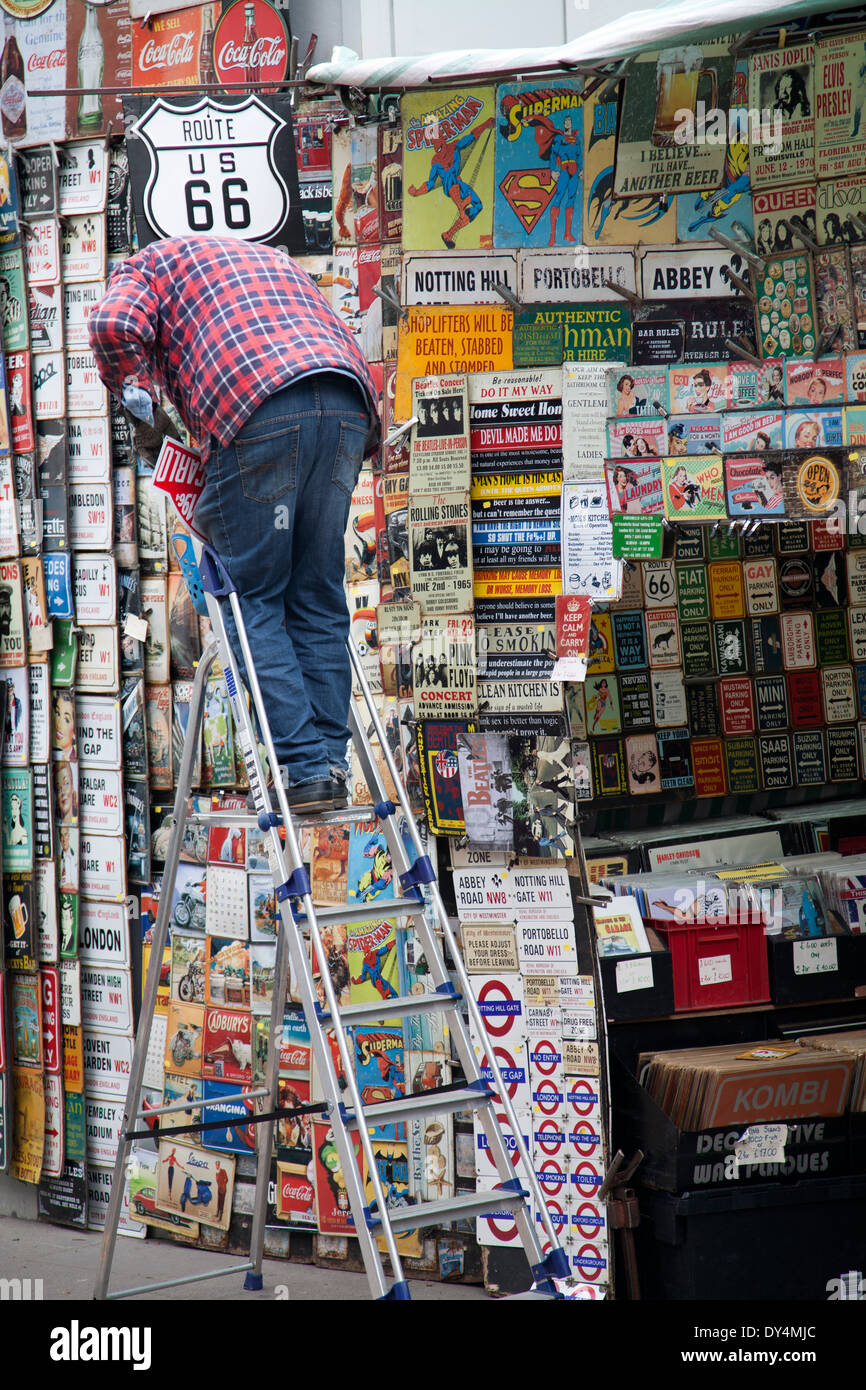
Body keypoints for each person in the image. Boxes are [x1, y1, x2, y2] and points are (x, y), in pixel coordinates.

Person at [88, 236, 380, 814]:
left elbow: (112, 322)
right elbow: (342, 336)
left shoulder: (148, 264)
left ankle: (301, 765)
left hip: (257, 405)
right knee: (319, 595)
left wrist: (143, 404)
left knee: (253, 600)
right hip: (346, 404)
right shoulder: (274, 261)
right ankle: (328, 765)